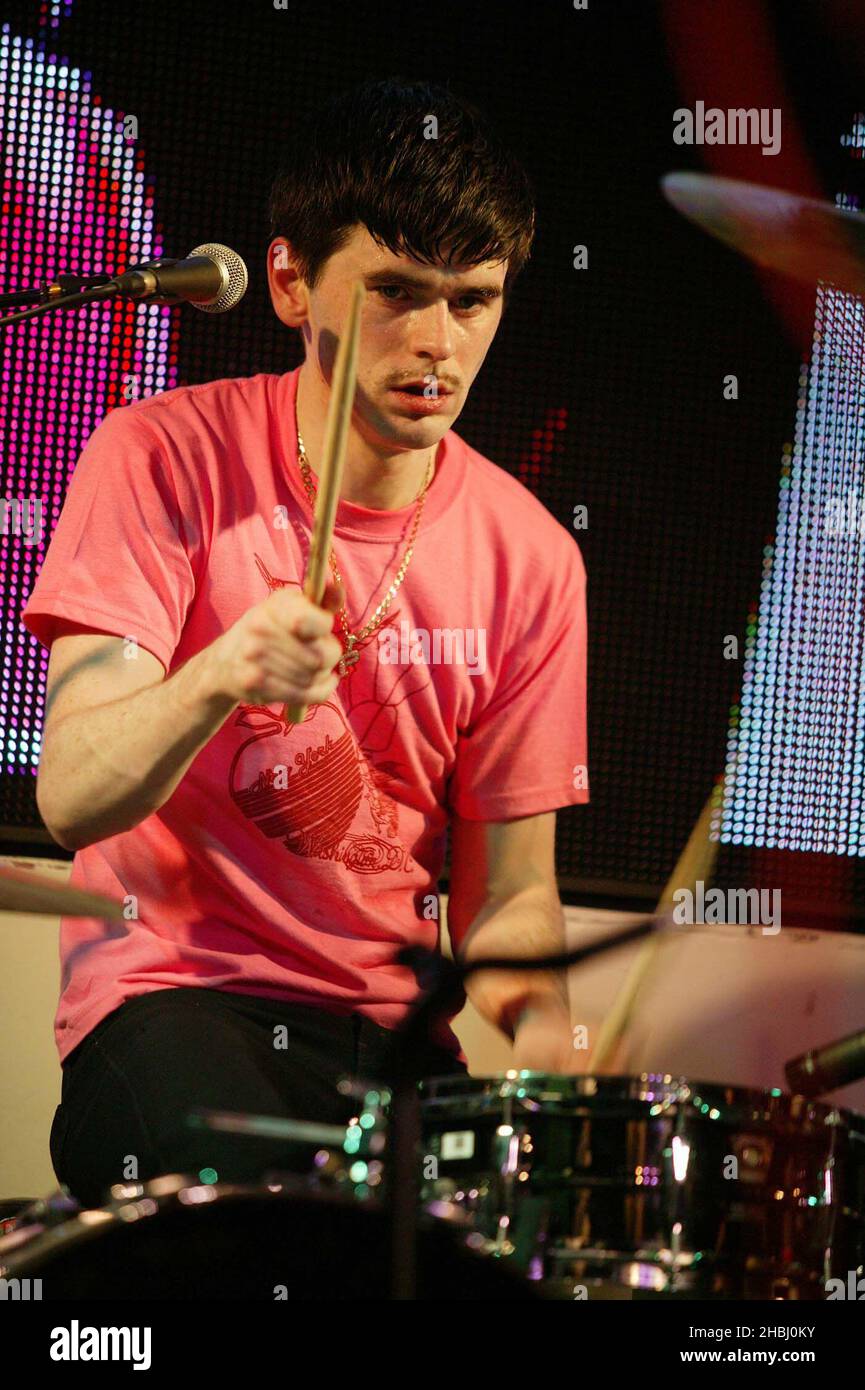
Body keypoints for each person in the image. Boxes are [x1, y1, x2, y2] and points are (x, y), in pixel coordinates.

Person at [22, 78, 589, 1209]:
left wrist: (549, 1028)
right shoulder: (158, 459)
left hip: (393, 1041)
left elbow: (507, 898)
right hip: (175, 1002)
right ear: (290, 280)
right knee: (271, 1219)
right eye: (395, 292)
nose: (436, 344)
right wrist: (222, 671)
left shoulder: (534, 558)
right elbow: (73, 794)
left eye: (472, 301)